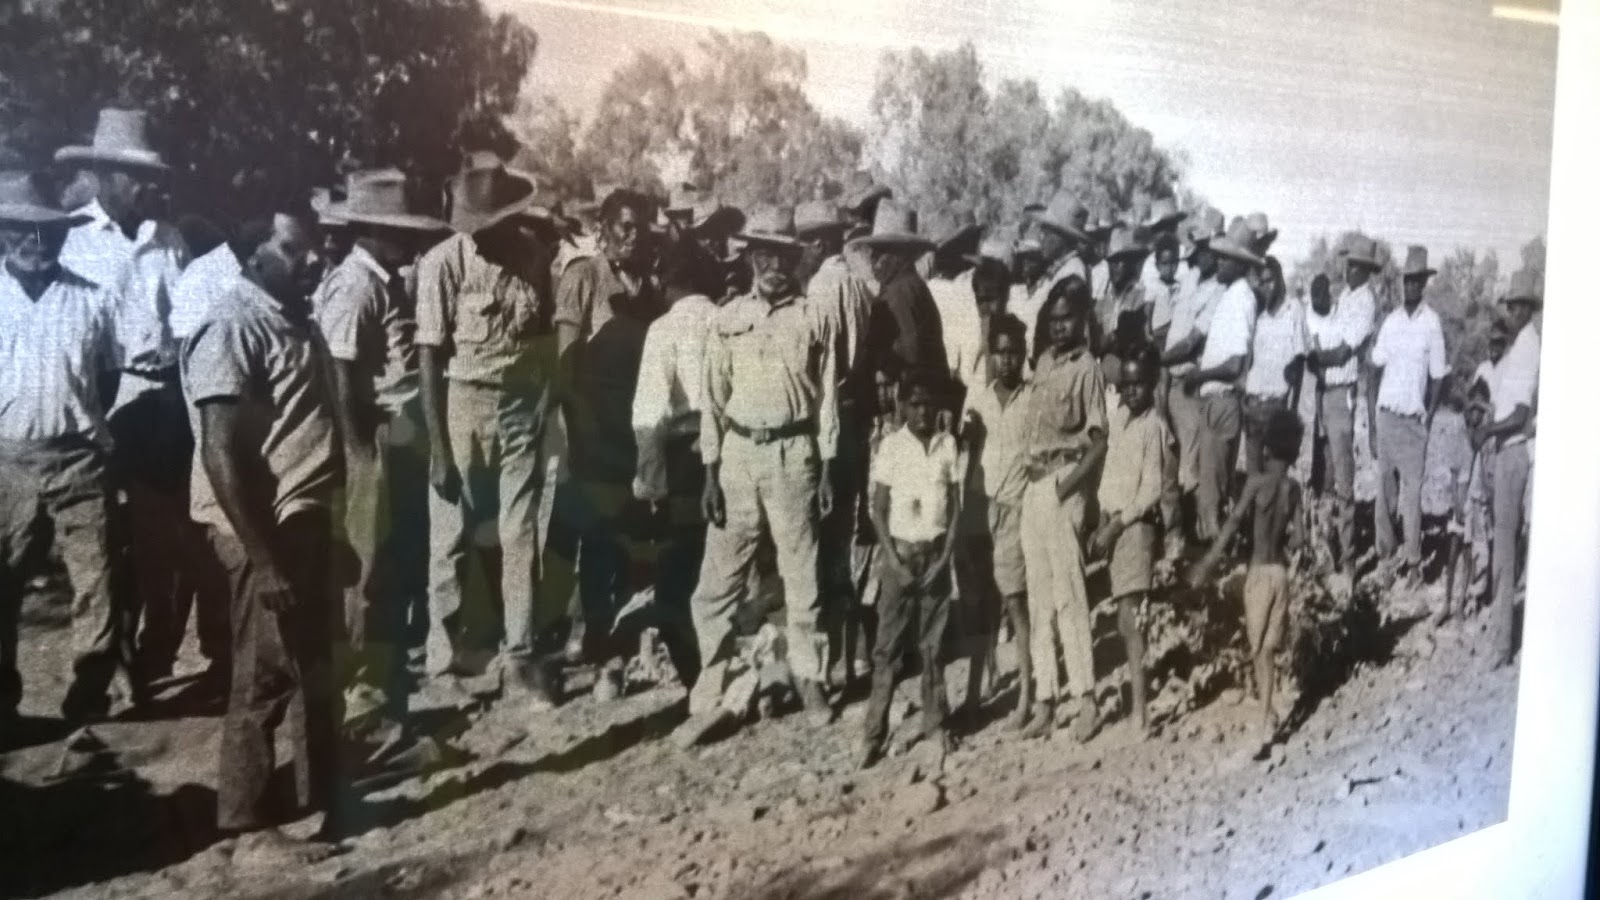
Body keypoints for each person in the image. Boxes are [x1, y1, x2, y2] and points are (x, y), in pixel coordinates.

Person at [182, 195, 344, 854]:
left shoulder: (295, 318)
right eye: (292, 249)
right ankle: (245, 824)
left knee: (313, 667)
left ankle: (315, 799)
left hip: (302, 519)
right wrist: (265, 559)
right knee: (265, 675)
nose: (312, 260)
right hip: (262, 530)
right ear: (252, 255)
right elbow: (220, 452)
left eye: (314, 247)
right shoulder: (231, 326)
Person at [676, 205, 839, 747]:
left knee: (802, 576)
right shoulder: (726, 319)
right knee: (716, 584)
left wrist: (827, 467)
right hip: (739, 455)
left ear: (796, 259)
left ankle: (810, 677)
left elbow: (827, 401)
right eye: (764, 254)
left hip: (795, 453)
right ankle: (710, 689)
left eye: (783, 256)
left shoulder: (815, 317)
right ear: (749, 258)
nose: (773, 266)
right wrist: (709, 473)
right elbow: (712, 404)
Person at [55, 108, 195, 702]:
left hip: (168, 397)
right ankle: (108, 662)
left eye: (151, 178)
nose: (146, 188)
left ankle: (154, 653)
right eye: (136, 176)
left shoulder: (169, 239)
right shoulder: (74, 240)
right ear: (107, 175)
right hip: (109, 398)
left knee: (165, 538)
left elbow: (191, 319)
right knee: (109, 542)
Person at [416, 156, 561, 708]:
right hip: (463, 403)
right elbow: (429, 357)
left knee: (519, 530)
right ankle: (443, 660)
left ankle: (519, 652)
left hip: (521, 404)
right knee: (451, 533)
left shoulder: (534, 256)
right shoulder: (442, 264)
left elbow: (543, 335)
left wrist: (542, 403)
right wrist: (438, 447)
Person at [311, 168, 448, 728]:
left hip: (398, 430)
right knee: (368, 564)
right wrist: (357, 446)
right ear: (372, 231)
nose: (411, 243)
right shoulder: (356, 286)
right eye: (401, 232)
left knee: (393, 558)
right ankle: (363, 686)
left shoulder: (384, 282)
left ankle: (383, 675)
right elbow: (338, 371)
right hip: (376, 432)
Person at [0, 173, 122, 725]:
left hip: (78, 458)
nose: (36, 242)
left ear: (64, 235)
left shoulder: (91, 300)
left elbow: (107, 379)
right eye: (22, 231)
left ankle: (89, 694)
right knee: (4, 582)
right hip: (7, 461)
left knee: (98, 581)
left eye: (48, 232)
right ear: (3, 234)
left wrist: (79, 427)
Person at [553, 188, 664, 701]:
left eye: (640, 227)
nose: (633, 236)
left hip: (635, 425)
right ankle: (594, 647)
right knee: (596, 537)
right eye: (624, 226)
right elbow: (565, 362)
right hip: (594, 426)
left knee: (629, 534)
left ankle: (614, 639)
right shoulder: (584, 277)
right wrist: (574, 431)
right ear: (602, 228)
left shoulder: (650, 286)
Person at [630, 243, 725, 692]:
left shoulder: (664, 329)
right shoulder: (725, 320)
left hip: (686, 459)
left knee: (677, 575)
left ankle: (697, 675)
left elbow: (650, 414)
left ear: (666, 283)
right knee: (721, 567)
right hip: (729, 450)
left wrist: (651, 486)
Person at [1017, 276, 1108, 741]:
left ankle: (1087, 699)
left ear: (1081, 320)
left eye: (1066, 319)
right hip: (1034, 485)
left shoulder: (1086, 367)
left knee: (1071, 595)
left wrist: (1068, 487)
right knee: (1039, 599)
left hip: (1063, 481)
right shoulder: (1044, 364)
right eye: (1052, 320)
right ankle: (1046, 700)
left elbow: (1099, 440)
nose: (1058, 327)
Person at [858, 369, 961, 769]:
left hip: (934, 557)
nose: (922, 413)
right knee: (887, 650)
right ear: (901, 406)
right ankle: (873, 735)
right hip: (900, 558)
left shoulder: (947, 445)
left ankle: (935, 723)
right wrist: (893, 561)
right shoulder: (891, 447)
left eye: (928, 405)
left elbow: (954, 508)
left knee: (933, 646)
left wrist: (945, 558)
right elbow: (878, 510)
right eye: (914, 405)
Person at [1190, 408, 1304, 757]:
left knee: (1258, 650)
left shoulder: (1255, 482)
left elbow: (1233, 524)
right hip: (1281, 574)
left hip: (1257, 574)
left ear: (1266, 447)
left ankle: (1264, 720)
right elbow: (1299, 538)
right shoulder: (1293, 489)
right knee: (1268, 648)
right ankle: (1269, 710)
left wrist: (1208, 562)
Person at [797, 198, 876, 687]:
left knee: (829, 540)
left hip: (831, 415)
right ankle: (856, 651)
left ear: (819, 242)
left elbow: (820, 370)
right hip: (854, 415)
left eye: (805, 243)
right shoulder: (859, 284)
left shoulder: (824, 288)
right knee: (850, 532)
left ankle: (836, 658)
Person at [1088, 348, 1177, 738]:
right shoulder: (1120, 420)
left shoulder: (1152, 426)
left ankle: (1140, 709)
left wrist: (1116, 525)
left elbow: (1150, 490)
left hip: (1134, 528)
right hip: (1115, 525)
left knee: (1130, 617)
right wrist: (1102, 521)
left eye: (1138, 384)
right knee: (1125, 620)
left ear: (1152, 383)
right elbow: (1111, 478)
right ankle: (1137, 704)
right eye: (1125, 385)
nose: (1131, 392)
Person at [956, 312, 1032, 727]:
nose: (1006, 360)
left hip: (1016, 510)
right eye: (999, 353)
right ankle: (975, 692)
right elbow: (967, 460)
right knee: (980, 603)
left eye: (1013, 352)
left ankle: (1027, 693)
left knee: (1015, 600)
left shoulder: (1033, 400)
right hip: (981, 509)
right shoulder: (979, 403)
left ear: (1023, 353)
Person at [1368, 246, 1448, 576]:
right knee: (1384, 493)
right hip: (1387, 418)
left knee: (1412, 495)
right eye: (1407, 280)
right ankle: (1386, 560)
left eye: (1417, 280)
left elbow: (1439, 376)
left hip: (1414, 423)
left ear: (1424, 283)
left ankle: (1413, 562)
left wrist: (1427, 417)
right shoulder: (1391, 321)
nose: (1411, 286)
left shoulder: (1432, 323)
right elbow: (1374, 367)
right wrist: (1374, 423)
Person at [1475, 268, 1540, 670]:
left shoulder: (1528, 348)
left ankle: (1502, 644)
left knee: (1504, 549)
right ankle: (1501, 632)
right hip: (1507, 450)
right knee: (1504, 547)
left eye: (1518, 306)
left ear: (1528, 309)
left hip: (1513, 452)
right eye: (1510, 306)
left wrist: (1488, 430)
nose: (1512, 312)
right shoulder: (1520, 347)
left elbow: (1518, 415)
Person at [1182, 220, 1260, 543]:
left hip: (1222, 400)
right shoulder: (1232, 296)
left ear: (1240, 264)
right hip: (1217, 399)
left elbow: (1235, 364)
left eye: (1226, 259)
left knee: (1212, 494)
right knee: (1211, 487)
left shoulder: (1241, 299)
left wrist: (1200, 374)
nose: (1219, 263)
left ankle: (1217, 559)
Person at [1304, 241, 1379, 571]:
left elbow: (1342, 353)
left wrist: (1312, 357)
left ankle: (1347, 560)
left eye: (1353, 266)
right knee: (1323, 474)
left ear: (1364, 270)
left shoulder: (1365, 303)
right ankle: (1324, 549)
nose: (1347, 270)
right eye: (1348, 264)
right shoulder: (1345, 298)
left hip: (1340, 393)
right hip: (1324, 391)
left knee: (1344, 480)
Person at [1160, 210, 1226, 533]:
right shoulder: (1190, 279)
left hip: (1188, 383)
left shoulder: (1218, 291)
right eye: (1197, 247)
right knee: (1168, 462)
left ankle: (1198, 534)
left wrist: (1160, 358)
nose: (1199, 254)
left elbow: (1192, 342)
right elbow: (1174, 327)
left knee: (1191, 465)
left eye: (1205, 247)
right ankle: (1175, 535)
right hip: (1169, 380)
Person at [858, 200, 948, 386]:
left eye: (879, 253)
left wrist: (885, 370)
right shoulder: (910, 284)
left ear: (898, 255)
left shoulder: (900, 291)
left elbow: (910, 354)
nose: (873, 260)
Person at [1242, 256, 1305, 473]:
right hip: (1252, 406)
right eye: (1261, 283)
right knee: (1253, 477)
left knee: (1275, 478)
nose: (1265, 287)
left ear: (1279, 280)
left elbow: (1299, 362)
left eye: (1269, 281)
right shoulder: (1256, 313)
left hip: (1277, 408)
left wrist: (1293, 410)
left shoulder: (1293, 309)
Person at [1020, 193, 1094, 365]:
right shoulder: (1058, 270)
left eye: (1046, 233)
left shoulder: (1072, 272)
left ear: (1062, 238)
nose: (1041, 239)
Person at [1095, 226, 1150, 377]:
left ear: (1130, 263)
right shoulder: (1104, 300)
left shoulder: (1141, 296)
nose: (1115, 268)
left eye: (1120, 262)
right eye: (1111, 262)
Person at [1138, 198, 1189, 303]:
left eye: (1170, 227)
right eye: (1159, 229)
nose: (1164, 233)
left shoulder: (1187, 255)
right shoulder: (1150, 261)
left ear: (1175, 227)